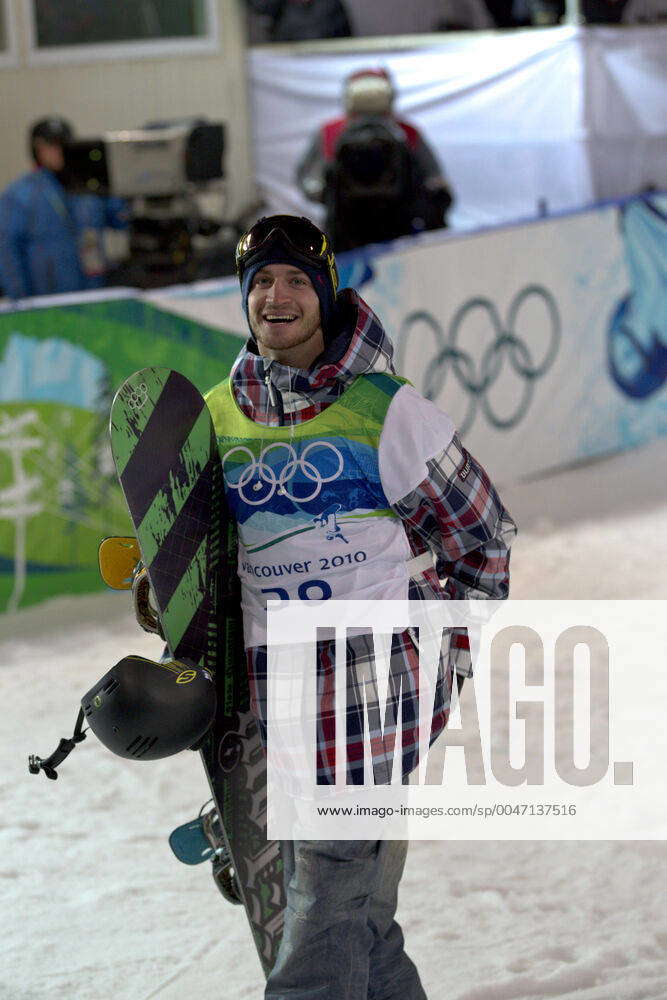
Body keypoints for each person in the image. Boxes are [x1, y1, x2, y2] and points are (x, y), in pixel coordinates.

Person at [204, 214, 516, 999]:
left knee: (322, 924)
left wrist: (441, 656)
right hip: (277, 706)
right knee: (363, 924)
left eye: (296, 282)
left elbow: (481, 538)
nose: (277, 298)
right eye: (261, 282)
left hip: (369, 700)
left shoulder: (386, 410)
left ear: (327, 296)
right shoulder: (215, 416)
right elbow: (198, 566)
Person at [296, 68, 453, 251]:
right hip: (380, 227)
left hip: (357, 228)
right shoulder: (406, 133)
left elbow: (306, 178)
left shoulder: (330, 133)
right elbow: (435, 180)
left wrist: (323, 193)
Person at [0, 117, 128, 301]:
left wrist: (118, 185)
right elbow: (7, 251)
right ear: (36, 149)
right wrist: (20, 300)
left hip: (93, 291)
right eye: (51, 146)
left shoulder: (90, 187)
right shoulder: (20, 194)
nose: (58, 152)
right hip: (45, 296)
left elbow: (121, 220)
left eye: (63, 145)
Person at [246, 0, 352, 41]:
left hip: (324, 61)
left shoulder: (330, 5)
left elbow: (345, 41)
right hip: (286, 60)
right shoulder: (279, 6)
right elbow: (260, 7)